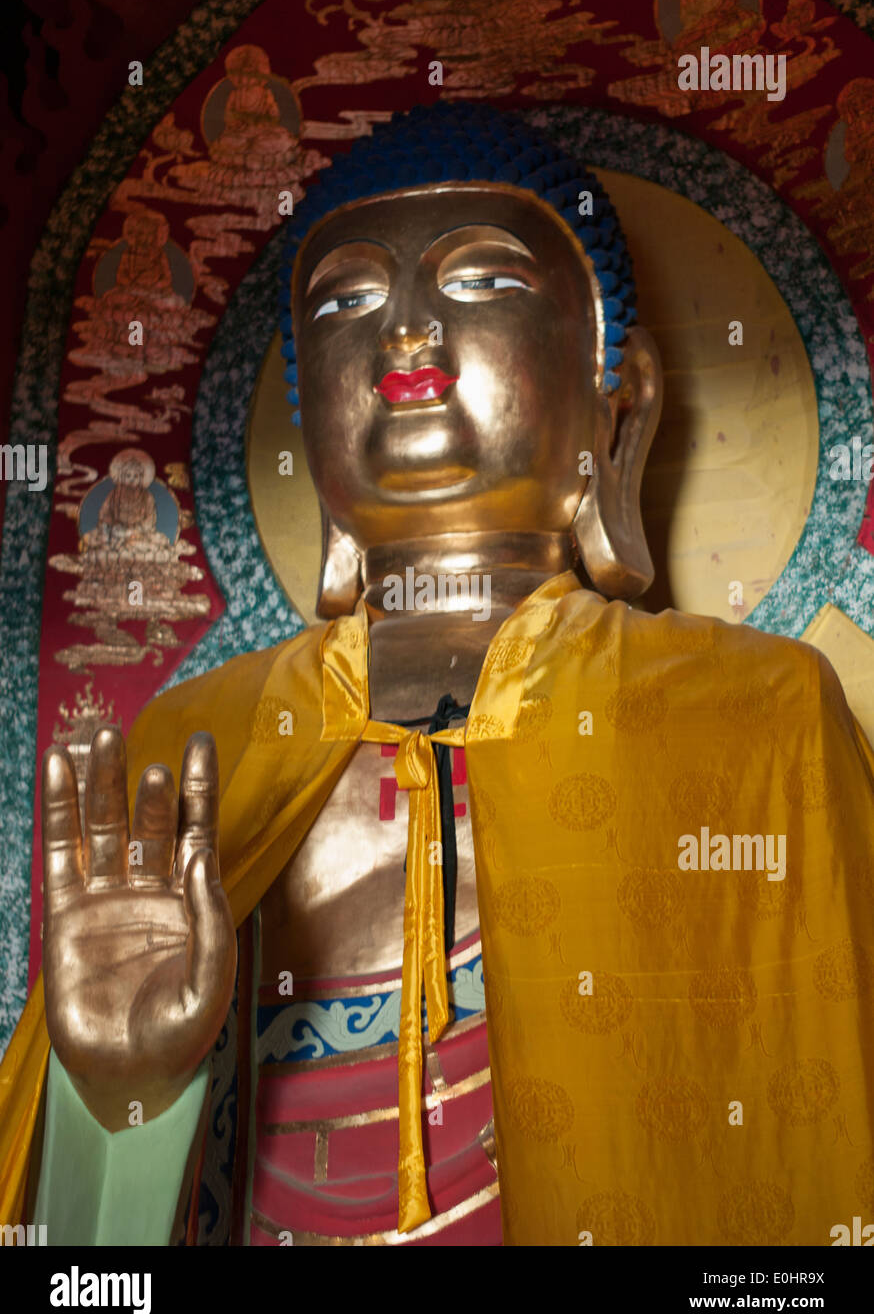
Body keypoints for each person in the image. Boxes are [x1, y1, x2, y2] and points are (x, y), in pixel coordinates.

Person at [2, 104, 873, 1247]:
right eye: (347, 302)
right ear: (304, 413)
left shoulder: (756, 724)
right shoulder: (191, 754)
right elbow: (87, 1269)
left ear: (622, 397)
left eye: (483, 284)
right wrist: (120, 1100)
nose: (407, 332)